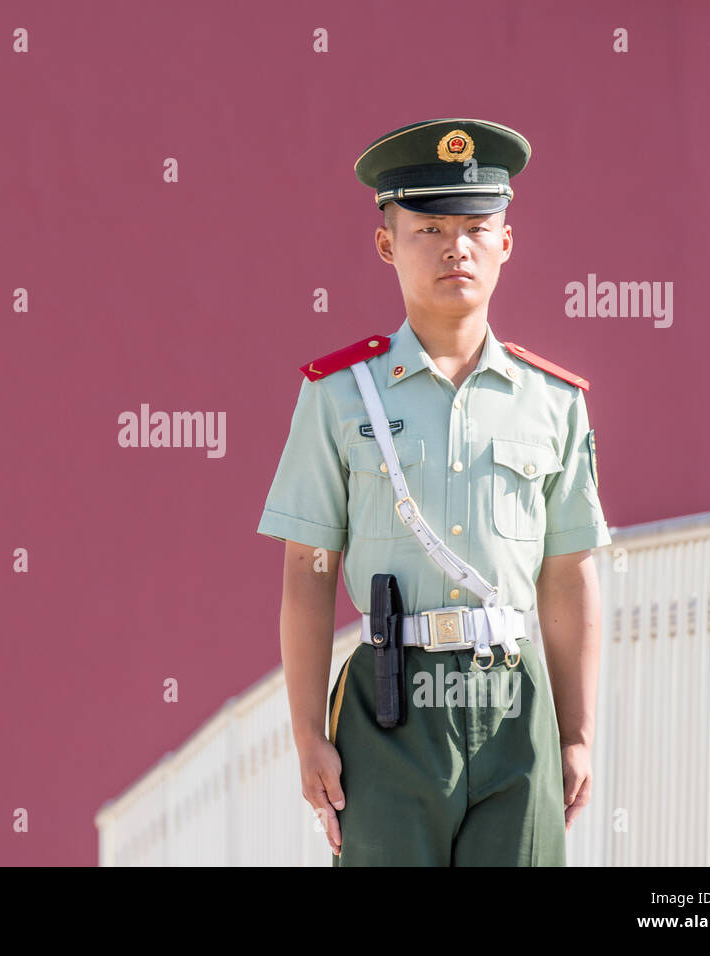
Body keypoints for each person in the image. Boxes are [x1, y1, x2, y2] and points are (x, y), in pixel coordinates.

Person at [256, 118, 611, 866]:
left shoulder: (553, 400)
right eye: (430, 228)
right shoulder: (340, 397)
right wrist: (307, 737)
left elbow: (569, 572)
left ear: (505, 244)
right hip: (389, 708)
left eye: (478, 228)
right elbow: (306, 571)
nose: (457, 247)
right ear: (388, 244)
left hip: (515, 701)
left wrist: (575, 734)